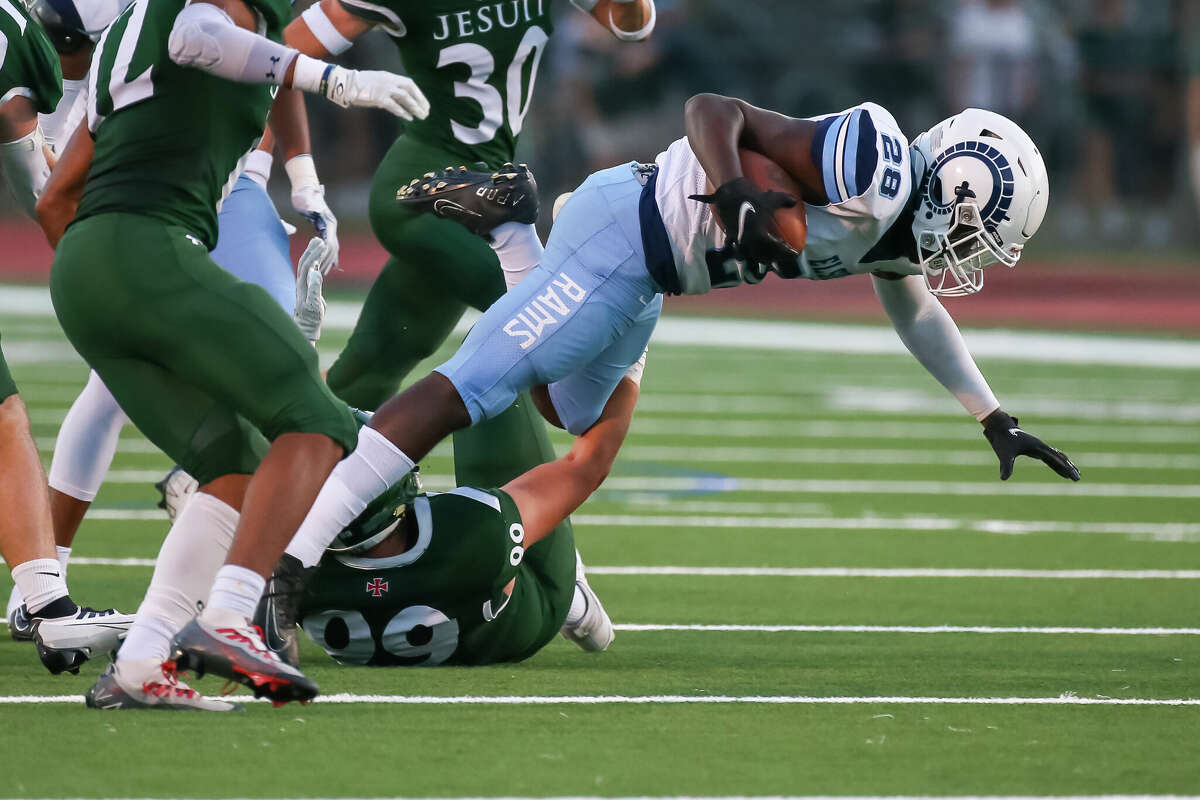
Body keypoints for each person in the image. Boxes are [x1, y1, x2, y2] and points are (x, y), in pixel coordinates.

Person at [267, 95, 1081, 645]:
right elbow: (713, 111)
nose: (969, 253)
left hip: (653, 282)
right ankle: (291, 559)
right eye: (979, 232)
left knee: (582, 432)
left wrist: (991, 416)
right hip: (624, 235)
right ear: (958, 183)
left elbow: (917, 313)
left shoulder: (895, 227)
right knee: (463, 392)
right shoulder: (874, 161)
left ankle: (514, 227)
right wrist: (734, 190)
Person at [37, 0, 428, 709]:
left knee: (238, 466)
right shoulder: (195, 17)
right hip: (149, 242)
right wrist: (334, 82)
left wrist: (115, 287)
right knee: (319, 422)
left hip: (89, 268)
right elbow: (200, 34)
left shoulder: (132, 34)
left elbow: (57, 196)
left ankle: (143, 656)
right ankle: (228, 616)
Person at [5, 0, 335, 637]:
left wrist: (302, 172)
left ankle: (175, 619)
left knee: (283, 373)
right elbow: (77, 38)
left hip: (221, 185)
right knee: (293, 404)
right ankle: (65, 579)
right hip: (144, 172)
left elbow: (272, 64)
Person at [295, 379, 637, 669]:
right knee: (499, 374)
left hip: (430, 605)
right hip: (517, 624)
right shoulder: (470, 529)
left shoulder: (283, 565)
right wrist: (629, 373)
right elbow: (586, 466)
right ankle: (572, 600)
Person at [0, 0, 135, 675]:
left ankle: (45, 600)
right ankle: (49, 608)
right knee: (4, 421)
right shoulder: (13, 34)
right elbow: (37, 181)